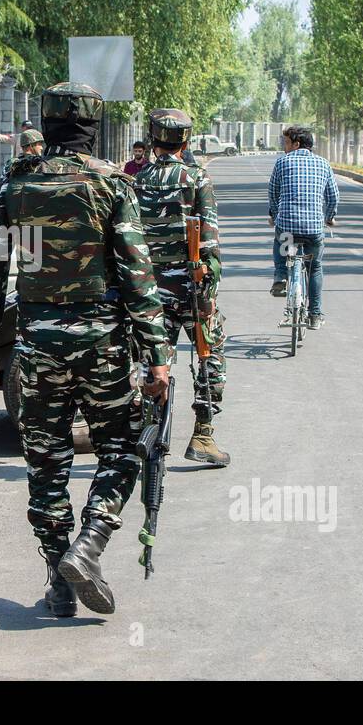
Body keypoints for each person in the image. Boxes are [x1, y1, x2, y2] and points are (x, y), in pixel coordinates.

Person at [0, 82, 170, 618]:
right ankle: (90, 543)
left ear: (48, 122)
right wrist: (157, 355)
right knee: (124, 447)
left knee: (47, 463)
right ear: (93, 125)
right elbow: (137, 275)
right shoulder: (111, 185)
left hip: (36, 346)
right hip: (102, 343)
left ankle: (59, 576)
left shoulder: (15, 187)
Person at [134, 109, 229, 465]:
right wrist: (210, 288)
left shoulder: (137, 180)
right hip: (192, 288)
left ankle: (148, 429)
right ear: (185, 141)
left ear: (153, 139)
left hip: (150, 293)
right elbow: (209, 240)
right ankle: (203, 435)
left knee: (153, 360)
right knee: (211, 354)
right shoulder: (196, 178)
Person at [268, 125, 338, 328]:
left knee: (282, 243)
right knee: (314, 267)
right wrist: (329, 217)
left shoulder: (282, 162)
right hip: (313, 230)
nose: (284, 148)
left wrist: (274, 215)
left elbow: (273, 193)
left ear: (296, 144)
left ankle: (280, 276)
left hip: (288, 228)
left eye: (286, 143)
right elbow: (333, 196)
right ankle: (315, 315)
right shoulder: (323, 164)